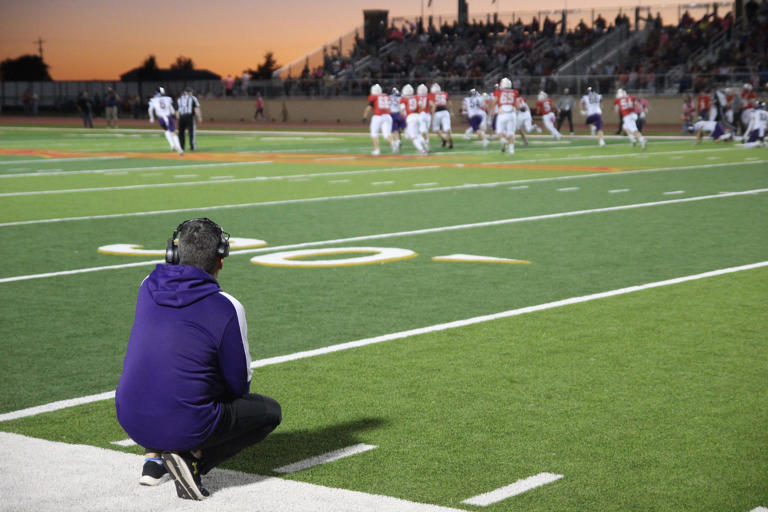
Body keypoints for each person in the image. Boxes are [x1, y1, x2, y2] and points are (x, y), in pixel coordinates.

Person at [115, 218, 282, 501]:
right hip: (186, 421)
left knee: (164, 371)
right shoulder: (227, 307)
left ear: (174, 254)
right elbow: (238, 387)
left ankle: (153, 461)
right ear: (220, 261)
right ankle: (193, 461)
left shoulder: (147, 286)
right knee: (268, 412)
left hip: (129, 416)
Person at [148, 86, 183, 156]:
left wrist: (151, 118)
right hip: (168, 117)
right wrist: (173, 113)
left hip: (161, 118)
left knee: (166, 130)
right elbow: (171, 109)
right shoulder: (168, 99)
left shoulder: (153, 100)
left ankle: (172, 145)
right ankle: (179, 148)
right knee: (173, 133)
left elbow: (150, 110)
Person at [362, 83, 395, 156]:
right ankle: (393, 143)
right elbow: (389, 108)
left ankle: (377, 150)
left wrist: (364, 117)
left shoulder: (373, 97)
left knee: (374, 133)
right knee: (386, 134)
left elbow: (369, 108)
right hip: (387, 116)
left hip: (378, 116)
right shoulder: (386, 96)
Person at [492, 77, 518, 155]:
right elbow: (517, 104)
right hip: (512, 113)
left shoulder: (498, 92)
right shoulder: (515, 92)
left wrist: (493, 111)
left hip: (502, 113)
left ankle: (503, 141)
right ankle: (511, 151)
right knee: (511, 133)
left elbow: (494, 102)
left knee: (499, 131)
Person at [176, 87, 202, 152]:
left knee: (181, 133)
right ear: (190, 92)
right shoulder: (193, 98)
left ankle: (181, 146)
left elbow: (177, 110)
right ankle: (192, 146)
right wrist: (199, 116)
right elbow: (196, 108)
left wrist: (178, 118)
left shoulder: (180, 99)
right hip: (189, 117)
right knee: (191, 132)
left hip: (181, 117)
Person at [428, 83, 453, 149]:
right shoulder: (444, 93)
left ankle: (443, 138)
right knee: (447, 127)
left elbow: (433, 105)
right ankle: (450, 139)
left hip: (437, 112)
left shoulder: (431, 95)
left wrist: (432, 115)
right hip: (445, 111)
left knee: (436, 128)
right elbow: (450, 103)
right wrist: (451, 111)